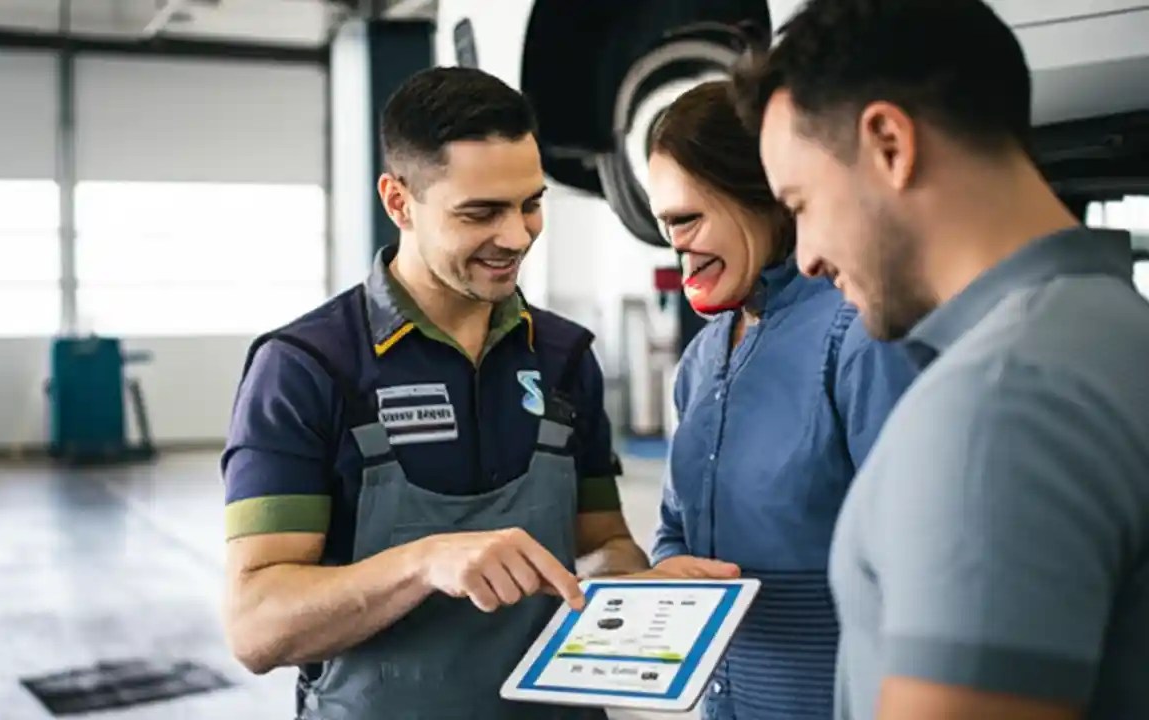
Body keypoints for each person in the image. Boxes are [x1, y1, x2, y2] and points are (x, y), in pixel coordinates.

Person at [732, 1, 1149, 719]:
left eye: (799, 204)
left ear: (889, 143)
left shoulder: (998, 405)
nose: (804, 258)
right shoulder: (1113, 331)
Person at [221, 66, 649, 719]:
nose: (516, 236)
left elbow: (602, 544)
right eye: (481, 213)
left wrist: (642, 594)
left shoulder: (564, 359)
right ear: (399, 202)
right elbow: (255, 628)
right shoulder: (307, 369)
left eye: (530, 204)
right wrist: (422, 564)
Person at [639, 81, 915, 720]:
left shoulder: (858, 334)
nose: (675, 244)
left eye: (686, 218)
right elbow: (675, 529)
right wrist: (672, 570)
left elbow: (917, 560)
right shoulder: (703, 359)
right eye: (664, 225)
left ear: (760, 195)